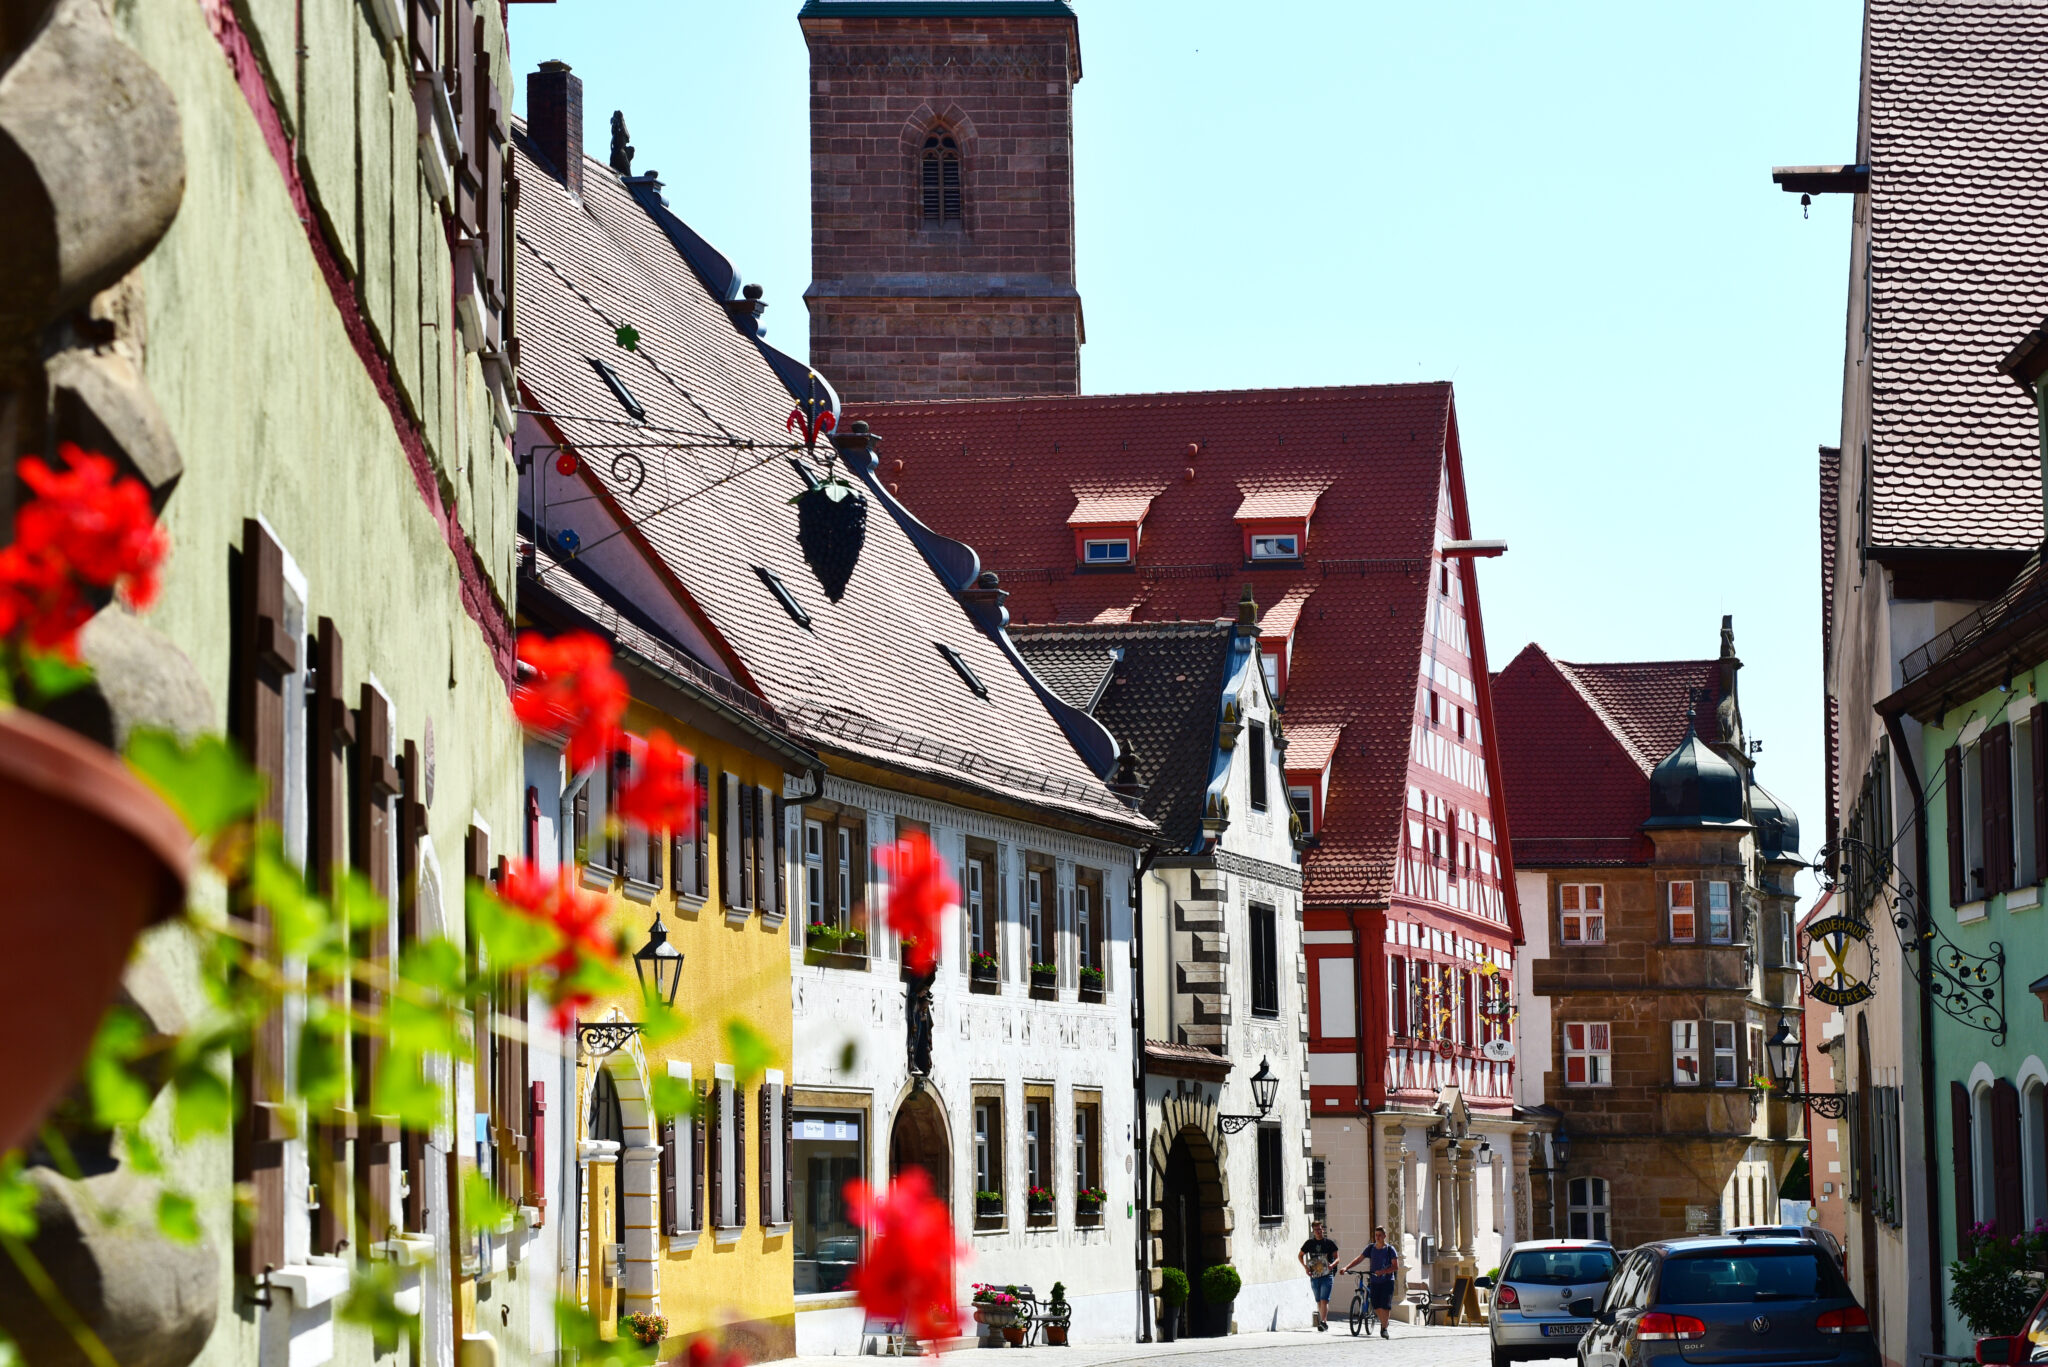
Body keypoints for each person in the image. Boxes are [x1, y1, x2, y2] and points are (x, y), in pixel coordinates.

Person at [1343, 1225, 1399, 1339]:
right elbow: (1359, 1259)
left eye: (1380, 1235)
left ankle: (1384, 1329)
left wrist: (1383, 1272)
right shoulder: (1371, 1248)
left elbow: (1395, 1266)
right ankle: (1384, 1322)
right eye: (1376, 1235)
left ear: (1384, 1236)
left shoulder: (1390, 1249)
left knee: (1385, 1305)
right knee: (1376, 1304)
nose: (1377, 1237)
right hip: (1374, 1280)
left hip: (1387, 1281)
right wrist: (1346, 1268)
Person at [1298, 1220, 1340, 1331]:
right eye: (1316, 1229)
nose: (1318, 1231)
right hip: (1315, 1275)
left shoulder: (1329, 1243)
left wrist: (1332, 1265)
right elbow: (1300, 1255)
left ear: (1323, 1229)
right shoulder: (1309, 1243)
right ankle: (1323, 1321)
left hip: (1327, 1275)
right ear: (1313, 1231)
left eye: (1320, 1229)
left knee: (1324, 1299)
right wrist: (1306, 1267)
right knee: (1318, 1300)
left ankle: (1324, 1322)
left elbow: (1337, 1258)